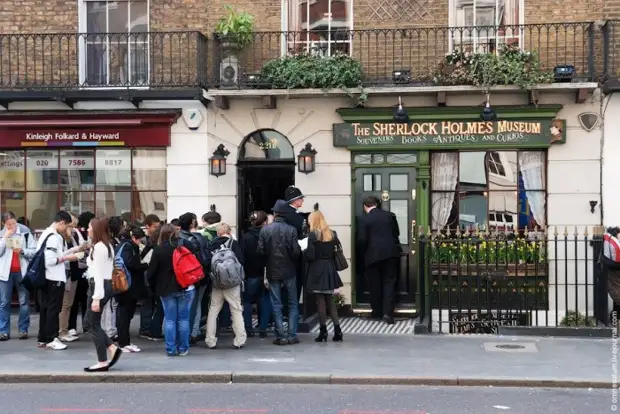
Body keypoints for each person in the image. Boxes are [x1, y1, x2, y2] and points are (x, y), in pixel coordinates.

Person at [37, 211, 86, 350]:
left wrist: (73, 250)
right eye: (67, 226)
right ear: (62, 223)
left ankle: (44, 338)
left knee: (46, 309)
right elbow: (51, 260)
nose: (67, 230)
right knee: (53, 309)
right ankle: (52, 338)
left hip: (48, 277)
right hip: (54, 277)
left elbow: (56, 255)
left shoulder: (46, 234)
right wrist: (68, 258)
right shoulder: (54, 237)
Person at [257, 200, 302, 345]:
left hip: (272, 269)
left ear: (275, 214)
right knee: (293, 303)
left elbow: (260, 251)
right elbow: (296, 252)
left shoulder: (265, 230)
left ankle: (281, 336)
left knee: (276, 304)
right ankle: (292, 335)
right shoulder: (291, 230)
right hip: (289, 269)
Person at [147, 224, 195, 356]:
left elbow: (151, 273)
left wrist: (153, 287)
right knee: (184, 319)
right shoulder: (184, 246)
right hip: (186, 286)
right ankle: (183, 348)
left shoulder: (159, 249)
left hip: (166, 289)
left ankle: (170, 349)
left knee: (170, 319)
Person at [83, 218, 122, 372]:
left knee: (92, 324)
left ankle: (102, 360)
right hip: (101, 286)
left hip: (98, 287)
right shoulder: (105, 245)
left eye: (89, 227)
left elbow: (99, 273)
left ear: (96, 229)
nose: (87, 230)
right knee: (89, 322)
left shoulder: (100, 247)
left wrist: (96, 298)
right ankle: (112, 348)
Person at [357, 196, 401, 325]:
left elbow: (362, 240)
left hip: (372, 256)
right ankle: (388, 314)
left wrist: (362, 256)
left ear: (365, 207)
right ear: (376, 204)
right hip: (390, 254)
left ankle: (377, 312)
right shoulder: (389, 216)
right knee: (389, 283)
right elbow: (396, 233)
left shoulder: (364, 219)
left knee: (374, 284)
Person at [205, 223, 246, 349]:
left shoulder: (210, 244)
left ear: (218, 233)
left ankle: (210, 340)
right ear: (228, 232)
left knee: (213, 311)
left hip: (217, 284)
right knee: (236, 311)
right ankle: (239, 340)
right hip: (232, 284)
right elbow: (241, 262)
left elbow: (207, 263)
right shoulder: (233, 244)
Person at [305, 208, 344, 342]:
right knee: (330, 300)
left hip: (317, 268)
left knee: (320, 300)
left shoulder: (313, 235)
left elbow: (310, 255)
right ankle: (338, 330)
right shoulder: (332, 233)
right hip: (330, 268)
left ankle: (323, 331)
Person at [0, 212, 37, 341]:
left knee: (24, 302)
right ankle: (3, 331)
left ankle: (23, 330)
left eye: (14, 223)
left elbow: (34, 251)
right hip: (5, 273)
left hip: (22, 272)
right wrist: (5, 237)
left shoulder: (25, 232)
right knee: (4, 303)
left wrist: (22, 251)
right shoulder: (2, 233)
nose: (12, 226)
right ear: (4, 224)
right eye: (9, 224)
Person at [114, 225, 148, 353]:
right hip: (128, 285)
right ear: (134, 237)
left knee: (124, 314)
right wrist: (144, 265)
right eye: (139, 240)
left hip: (122, 284)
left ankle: (125, 341)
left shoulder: (122, 245)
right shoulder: (129, 246)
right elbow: (131, 264)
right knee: (125, 314)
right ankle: (124, 343)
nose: (140, 243)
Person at [240, 211, 272, 338]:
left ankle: (248, 328)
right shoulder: (268, 235)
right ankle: (263, 328)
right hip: (266, 272)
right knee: (264, 299)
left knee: (247, 301)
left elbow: (242, 256)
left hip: (250, 273)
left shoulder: (246, 237)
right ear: (265, 222)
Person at [58, 212, 87, 343]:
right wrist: (75, 250)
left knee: (69, 303)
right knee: (65, 304)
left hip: (74, 272)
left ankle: (66, 329)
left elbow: (81, 244)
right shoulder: (61, 237)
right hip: (67, 273)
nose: (74, 227)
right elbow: (62, 256)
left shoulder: (73, 235)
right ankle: (62, 330)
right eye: (72, 225)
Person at [69, 211, 95, 336]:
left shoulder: (86, 232)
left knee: (86, 298)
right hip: (77, 267)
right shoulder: (75, 233)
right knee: (74, 300)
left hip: (86, 268)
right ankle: (71, 326)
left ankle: (86, 325)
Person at [138, 214, 163, 341]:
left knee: (153, 303)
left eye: (159, 226)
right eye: (155, 227)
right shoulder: (143, 240)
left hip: (154, 275)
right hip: (145, 274)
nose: (157, 229)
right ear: (147, 226)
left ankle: (149, 328)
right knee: (147, 303)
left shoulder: (157, 239)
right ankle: (145, 329)